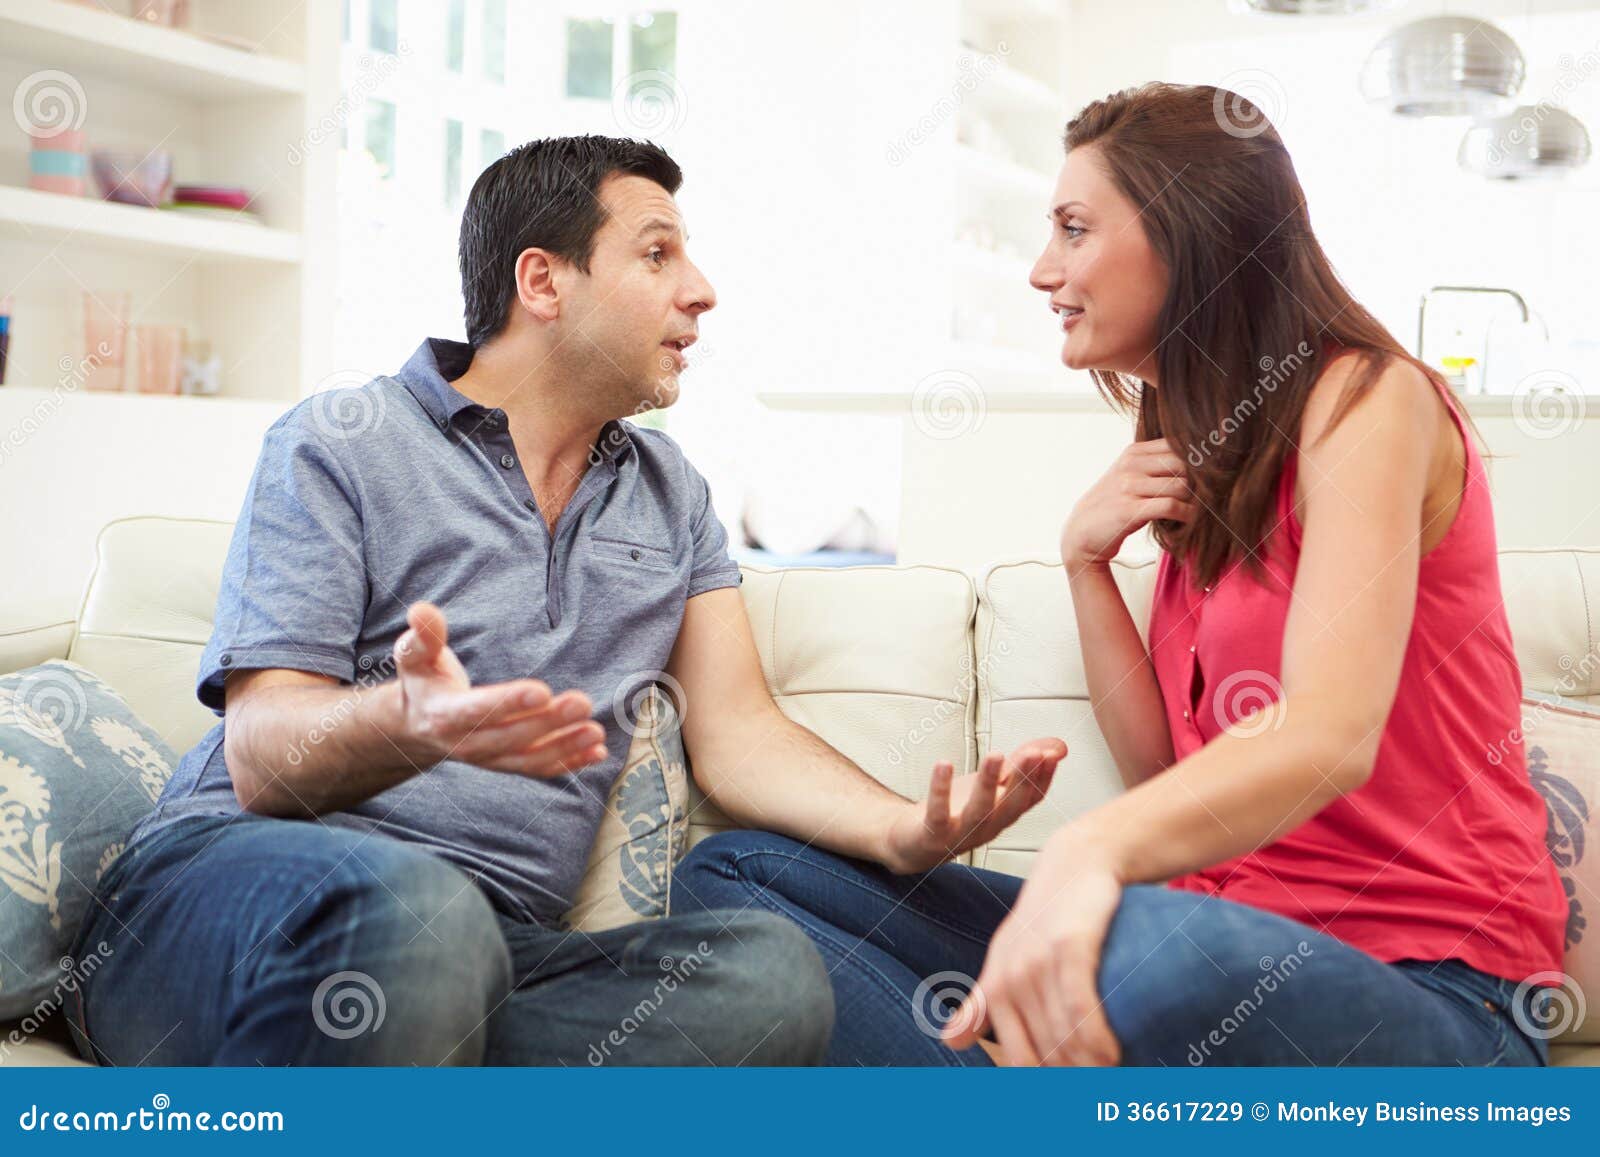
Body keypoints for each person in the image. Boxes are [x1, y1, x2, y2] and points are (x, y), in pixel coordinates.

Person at [66, 135, 1066, 1067]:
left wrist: (905, 829)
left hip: (498, 952)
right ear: (542, 279)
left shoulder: (670, 495)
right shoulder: (343, 438)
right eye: (657, 254)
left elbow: (739, 732)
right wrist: (406, 720)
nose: (702, 291)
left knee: (766, 978)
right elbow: (261, 754)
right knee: (422, 921)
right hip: (235, 896)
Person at [674, 83, 1566, 1067]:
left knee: (1143, 941)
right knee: (739, 873)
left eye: (1071, 229)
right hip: (1203, 950)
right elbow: (1168, 774)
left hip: (1428, 986)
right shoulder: (1205, 453)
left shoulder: (1369, 397)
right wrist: (1085, 562)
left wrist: (1084, 850)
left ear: (1191, 234)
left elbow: (1328, 735)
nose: (1040, 270)